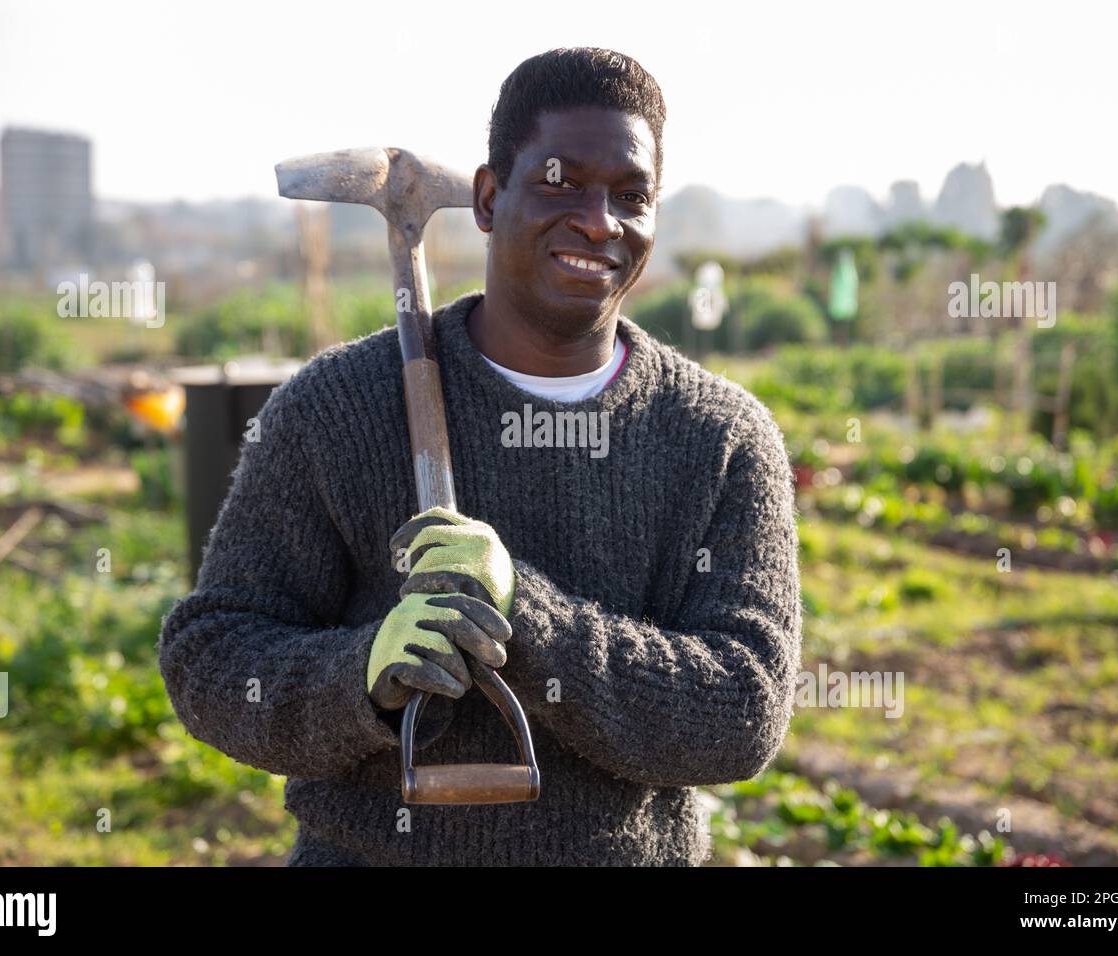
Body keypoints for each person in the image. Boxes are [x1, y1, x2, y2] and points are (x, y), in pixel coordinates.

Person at [157, 46, 802, 866]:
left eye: (630, 195)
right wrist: (359, 674)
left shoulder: (718, 437)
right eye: (562, 182)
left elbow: (744, 713)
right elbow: (212, 658)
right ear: (490, 198)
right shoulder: (339, 407)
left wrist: (526, 617)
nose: (600, 220)